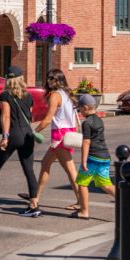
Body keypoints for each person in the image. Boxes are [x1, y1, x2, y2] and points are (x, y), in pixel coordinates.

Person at [0, 66, 42, 217]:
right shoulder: (28, 96)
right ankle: (33, 205)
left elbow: (5, 116)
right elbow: (30, 115)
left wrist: (5, 136)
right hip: (27, 134)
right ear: (21, 79)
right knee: (29, 170)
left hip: (13, 134)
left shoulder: (5, 96)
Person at [33, 68, 80, 209]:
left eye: (52, 78)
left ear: (58, 80)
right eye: (48, 78)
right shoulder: (67, 93)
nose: (48, 81)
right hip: (68, 133)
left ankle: (82, 202)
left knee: (70, 170)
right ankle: (35, 196)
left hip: (60, 135)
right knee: (45, 163)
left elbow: (47, 119)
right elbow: (74, 118)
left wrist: (34, 131)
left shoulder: (55, 95)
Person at [71, 93, 115, 219]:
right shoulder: (99, 120)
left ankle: (84, 211)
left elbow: (86, 142)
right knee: (105, 184)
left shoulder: (87, 123)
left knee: (82, 183)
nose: (79, 111)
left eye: (79, 108)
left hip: (93, 157)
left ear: (85, 107)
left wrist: (84, 161)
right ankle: (124, 200)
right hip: (104, 156)